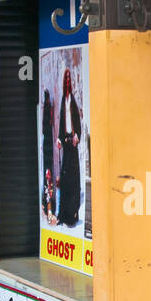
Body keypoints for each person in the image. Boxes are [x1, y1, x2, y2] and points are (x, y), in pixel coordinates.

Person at [57, 66, 82, 227]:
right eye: (65, 80)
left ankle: (72, 214)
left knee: (73, 179)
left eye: (68, 80)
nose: (67, 82)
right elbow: (61, 122)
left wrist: (77, 136)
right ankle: (63, 215)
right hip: (65, 144)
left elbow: (77, 122)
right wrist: (59, 138)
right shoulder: (62, 101)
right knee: (64, 179)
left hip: (72, 144)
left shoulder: (72, 100)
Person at [41, 89, 54, 198]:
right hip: (47, 143)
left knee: (48, 169)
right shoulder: (46, 110)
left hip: (48, 142)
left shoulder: (47, 109)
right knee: (48, 169)